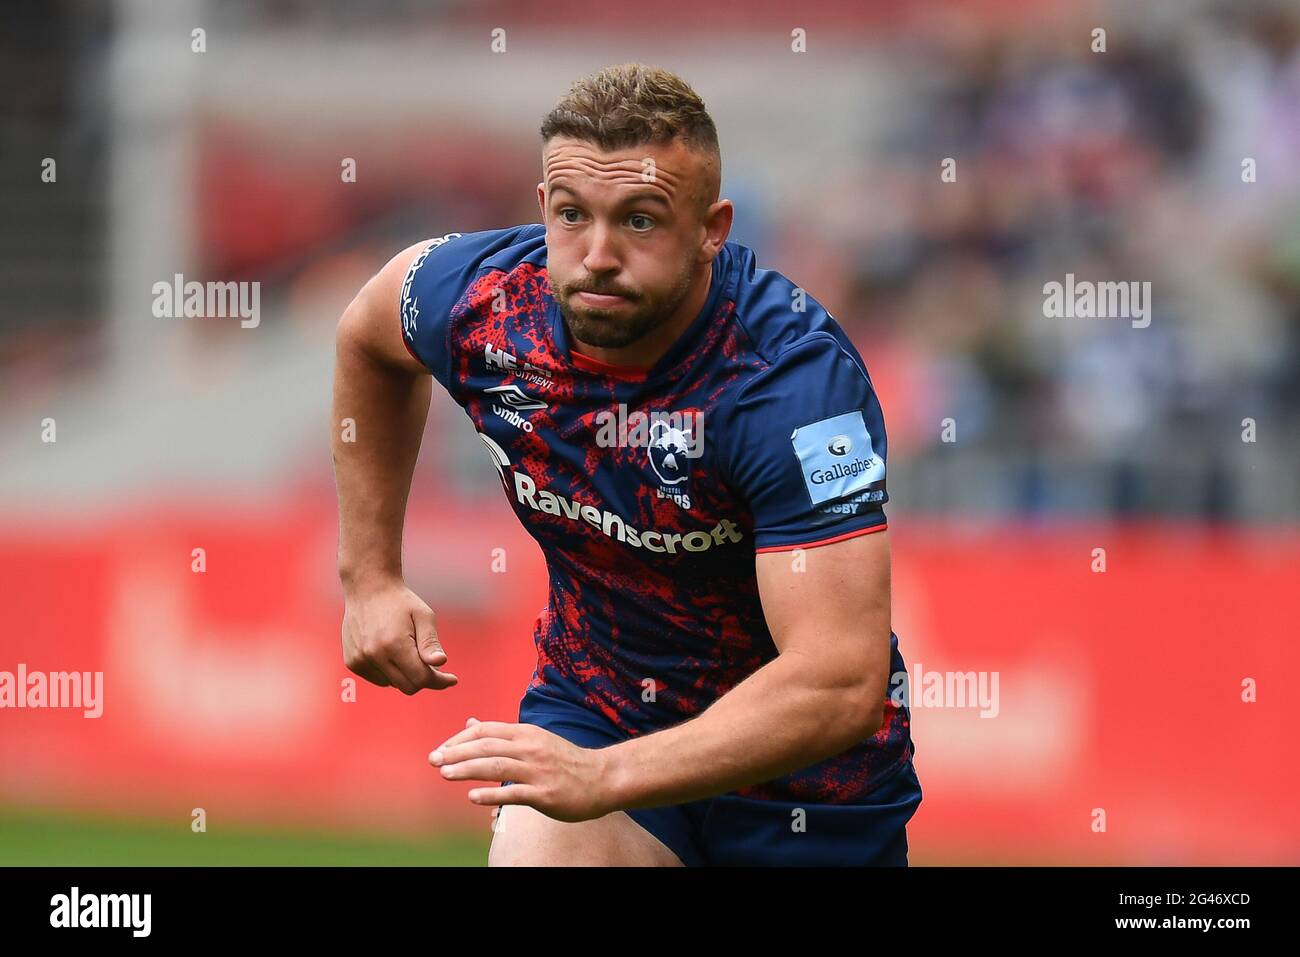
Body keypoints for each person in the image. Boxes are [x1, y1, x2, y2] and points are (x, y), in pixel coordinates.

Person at [331, 62, 921, 866]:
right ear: (543, 210)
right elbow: (368, 333)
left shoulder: (788, 385)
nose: (597, 255)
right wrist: (369, 576)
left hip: (805, 782)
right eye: (573, 215)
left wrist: (603, 775)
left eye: (640, 221)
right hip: (599, 705)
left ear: (713, 228)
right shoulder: (483, 300)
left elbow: (839, 681)